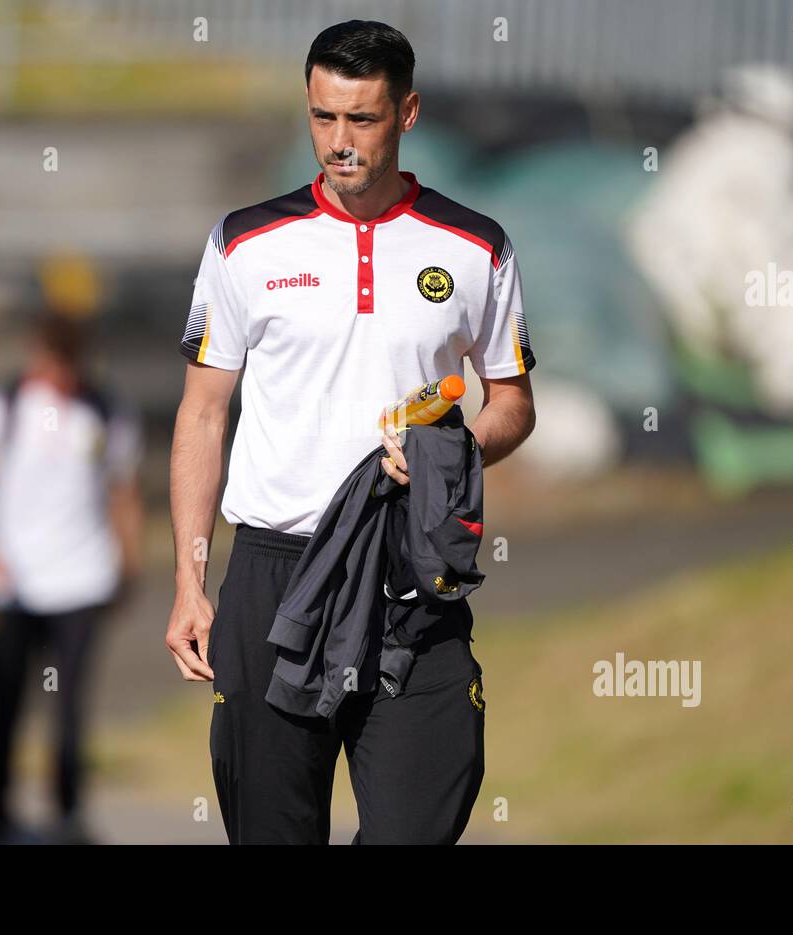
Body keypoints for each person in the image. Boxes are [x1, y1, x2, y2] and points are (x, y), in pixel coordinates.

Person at [167, 20, 537, 844]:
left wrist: (457, 448)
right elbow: (201, 413)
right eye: (323, 117)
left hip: (413, 572)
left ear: (406, 114)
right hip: (274, 576)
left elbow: (512, 400)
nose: (339, 142)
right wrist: (192, 581)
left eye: (361, 120)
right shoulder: (242, 242)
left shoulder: (477, 246)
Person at [0, 309, 145, 843]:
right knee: (4, 700)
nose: (63, 370)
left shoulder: (104, 411)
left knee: (71, 705)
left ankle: (67, 810)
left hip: (79, 581)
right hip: (9, 585)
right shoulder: (0, 407)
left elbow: (123, 494)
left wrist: (128, 566)